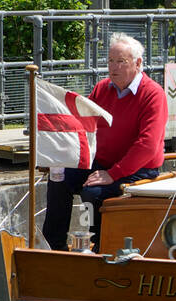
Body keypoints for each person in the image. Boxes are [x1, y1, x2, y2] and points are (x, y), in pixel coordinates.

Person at [43, 34, 168, 251]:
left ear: (138, 64)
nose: (113, 67)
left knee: (92, 194)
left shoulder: (153, 94)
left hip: (138, 169)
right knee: (59, 177)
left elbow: (147, 145)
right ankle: (53, 246)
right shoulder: (102, 88)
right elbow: (82, 126)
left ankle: (100, 247)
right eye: (110, 61)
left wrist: (113, 173)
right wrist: (59, 156)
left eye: (120, 61)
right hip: (101, 162)